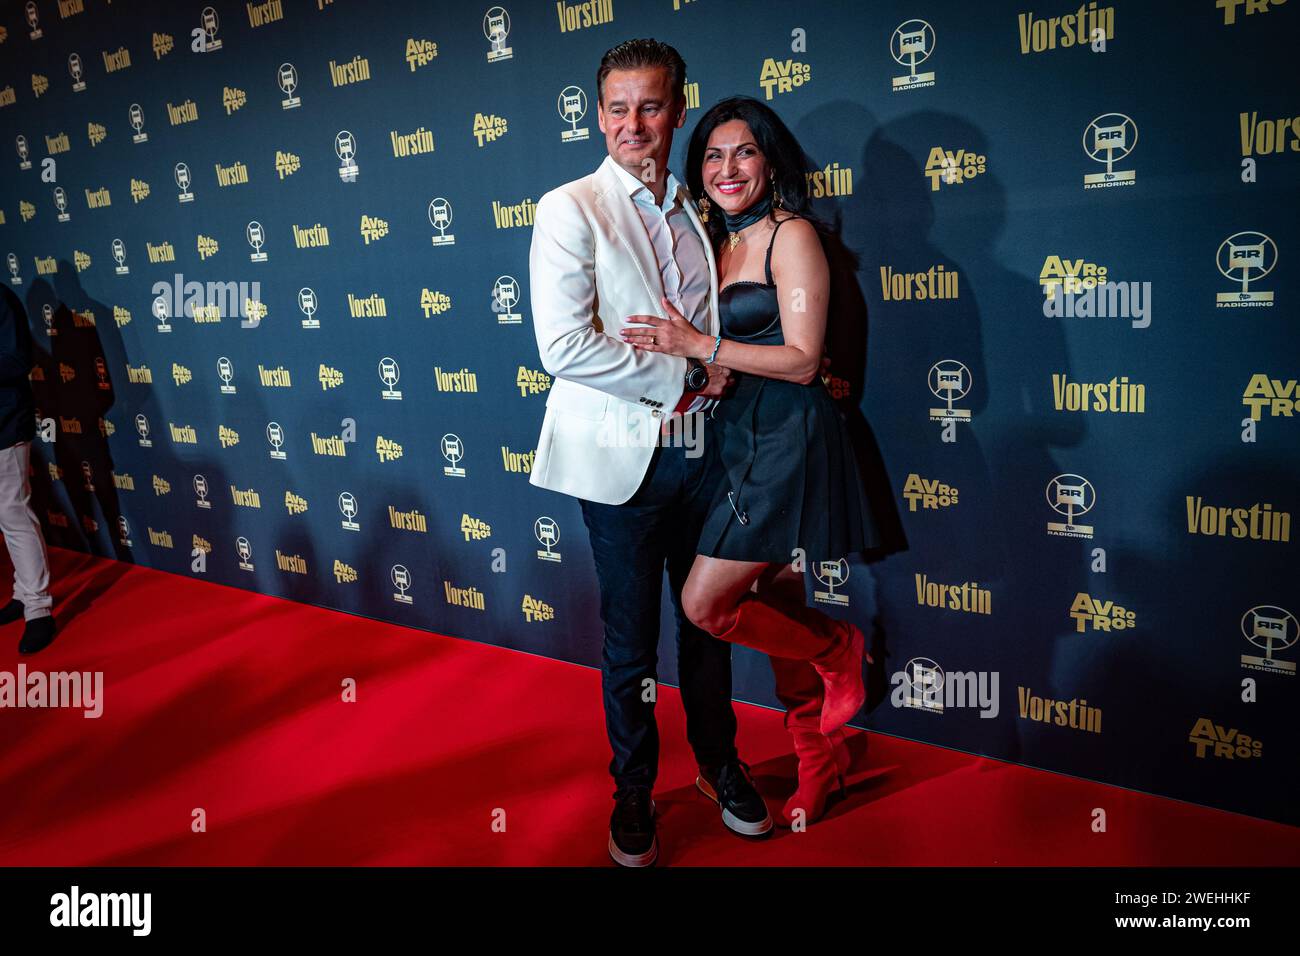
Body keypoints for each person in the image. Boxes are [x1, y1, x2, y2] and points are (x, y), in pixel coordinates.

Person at [528, 40, 772, 867]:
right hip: (621, 458)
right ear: (599, 115)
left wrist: (721, 373)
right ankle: (634, 787)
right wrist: (682, 376)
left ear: (677, 109)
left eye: (653, 106)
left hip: (708, 455)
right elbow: (563, 345)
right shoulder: (569, 207)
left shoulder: (703, 210)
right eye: (619, 108)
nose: (635, 124)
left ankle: (717, 764)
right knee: (631, 642)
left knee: (708, 625)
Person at [620, 96, 881, 827]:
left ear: (770, 161)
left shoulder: (789, 236)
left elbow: (802, 360)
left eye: (744, 153)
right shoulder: (707, 238)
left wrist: (697, 347)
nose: (727, 168)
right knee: (777, 602)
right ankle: (818, 760)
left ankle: (839, 647)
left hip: (785, 439)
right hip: (729, 437)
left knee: (707, 604)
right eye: (712, 155)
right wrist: (691, 371)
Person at [0, 285, 57, 654]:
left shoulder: (0, 300)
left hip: (4, 423)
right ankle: (24, 593)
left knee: (14, 513)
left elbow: (18, 360)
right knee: (5, 517)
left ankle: (39, 611)